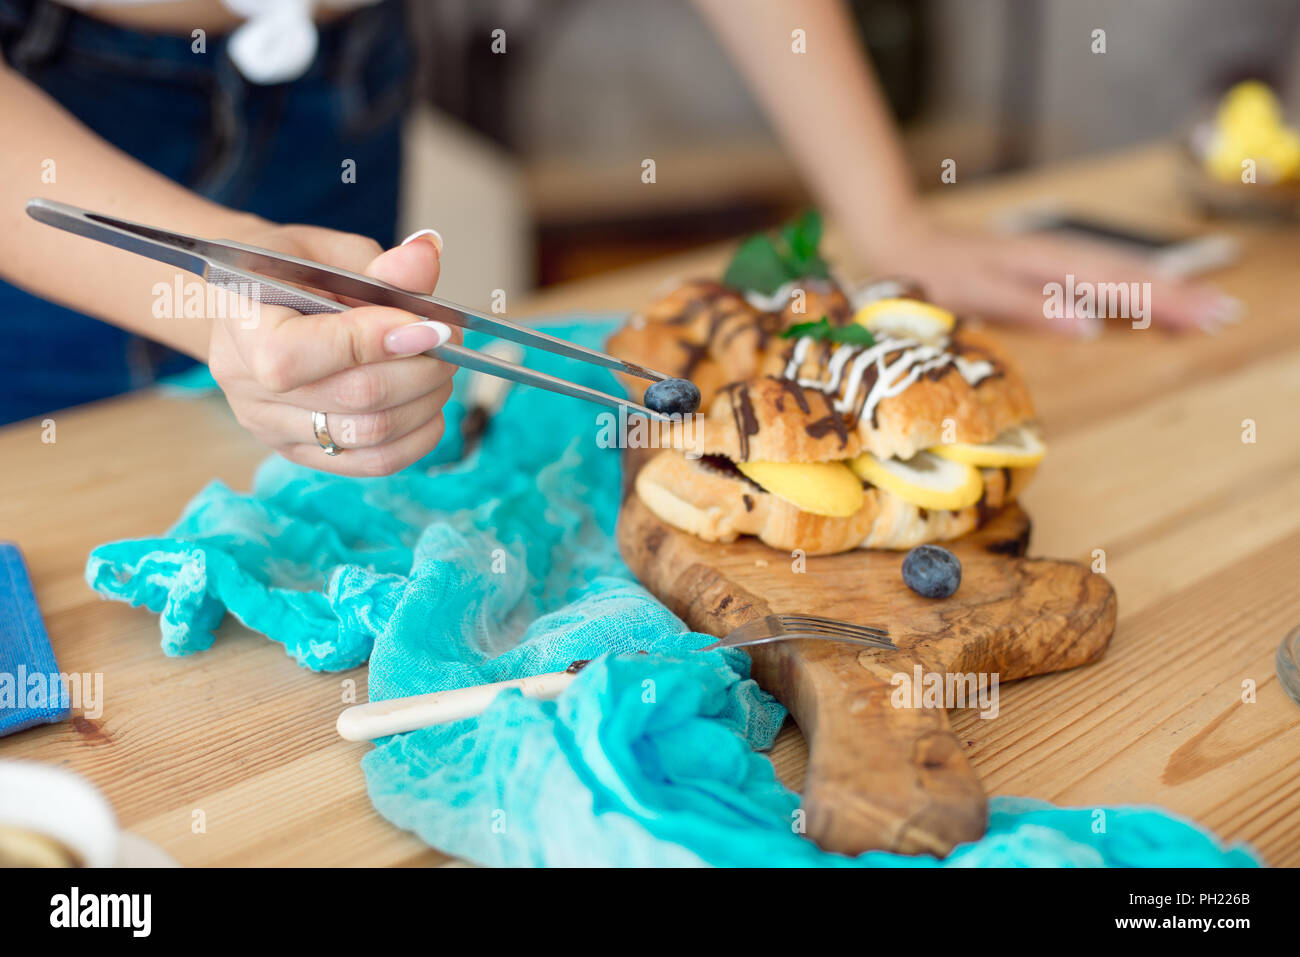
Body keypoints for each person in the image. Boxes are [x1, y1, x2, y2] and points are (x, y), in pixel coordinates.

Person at [0, 0, 1234, 476]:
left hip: (345, 69)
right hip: (45, 130)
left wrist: (886, 211)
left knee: (342, 429)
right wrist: (221, 283)